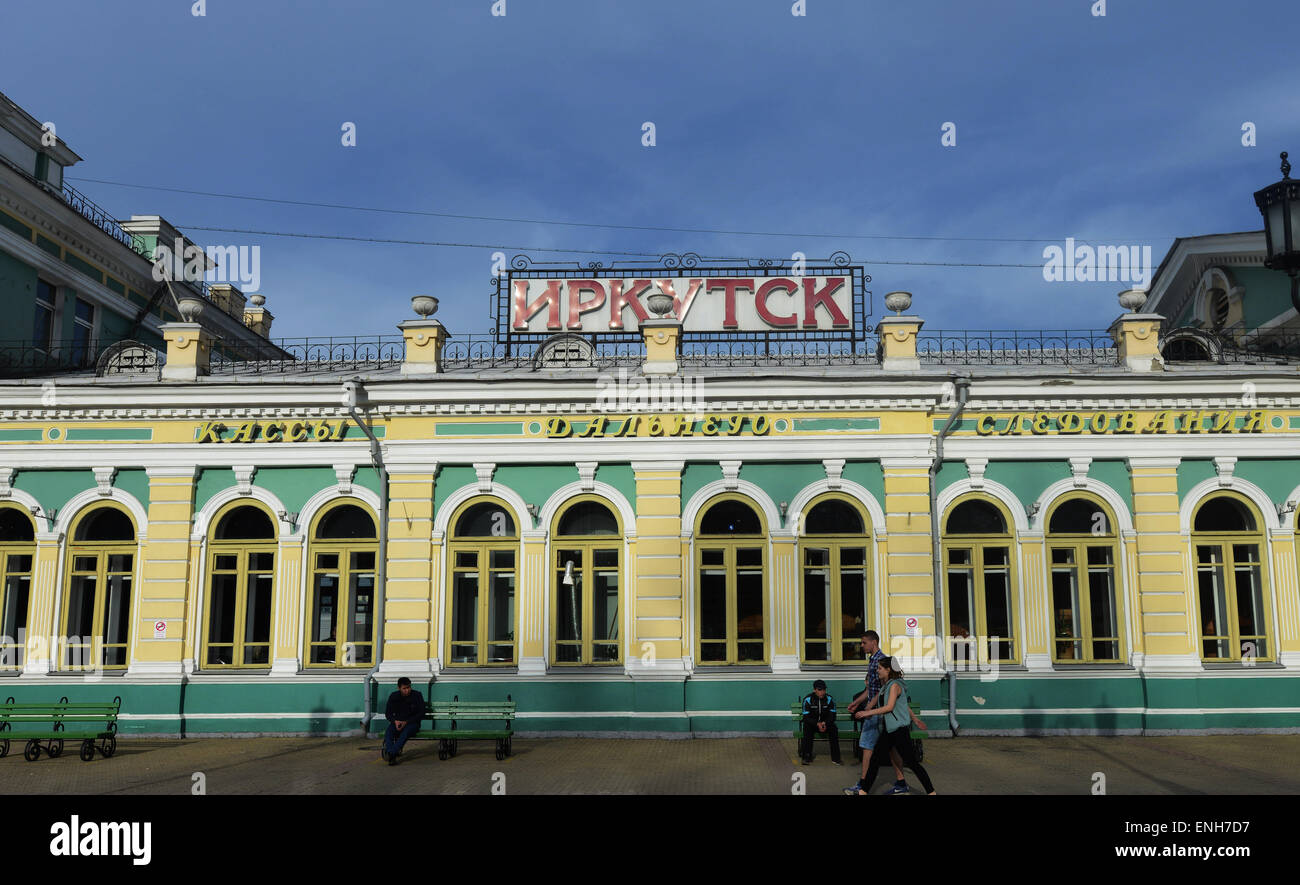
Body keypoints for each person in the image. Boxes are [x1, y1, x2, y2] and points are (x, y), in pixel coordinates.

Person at [848, 656, 935, 795]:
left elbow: (889, 707)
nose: (877, 671)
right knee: (875, 759)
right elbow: (903, 705)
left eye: (880, 668)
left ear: (888, 670)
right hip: (889, 730)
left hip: (899, 730)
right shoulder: (886, 686)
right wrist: (915, 718)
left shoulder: (894, 685)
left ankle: (931, 792)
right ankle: (863, 791)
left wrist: (867, 712)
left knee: (912, 763)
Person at [845, 631, 910, 795]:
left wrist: (868, 710)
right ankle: (901, 782)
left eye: (864, 642)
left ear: (873, 642)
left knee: (867, 747)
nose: (861, 645)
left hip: (877, 713)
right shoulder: (874, 660)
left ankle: (862, 785)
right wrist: (857, 702)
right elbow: (871, 689)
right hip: (877, 712)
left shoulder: (879, 662)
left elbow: (882, 690)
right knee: (891, 749)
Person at [381, 676, 425, 765]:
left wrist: (407, 722)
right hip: (397, 723)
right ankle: (392, 752)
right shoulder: (394, 696)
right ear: (399, 688)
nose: (407, 690)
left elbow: (421, 713)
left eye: (408, 687)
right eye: (404, 688)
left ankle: (391, 753)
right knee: (389, 732)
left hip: (412, 723)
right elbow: (388, 714)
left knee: (405, 733)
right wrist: (395, 721)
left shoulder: (417, 695)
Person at [800, 679, 841, 765]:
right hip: (813, 724)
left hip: (825, 724)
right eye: (820, 690)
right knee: (807, 728)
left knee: (834, 729)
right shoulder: (807, 699)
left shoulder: (830, 699)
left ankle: (836, 758)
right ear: (814, 690)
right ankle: (806, 756)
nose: (822, 692)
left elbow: (833, 716)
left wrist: (825, 723)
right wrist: (817, 723)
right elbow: (806, 717)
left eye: (824, 689)